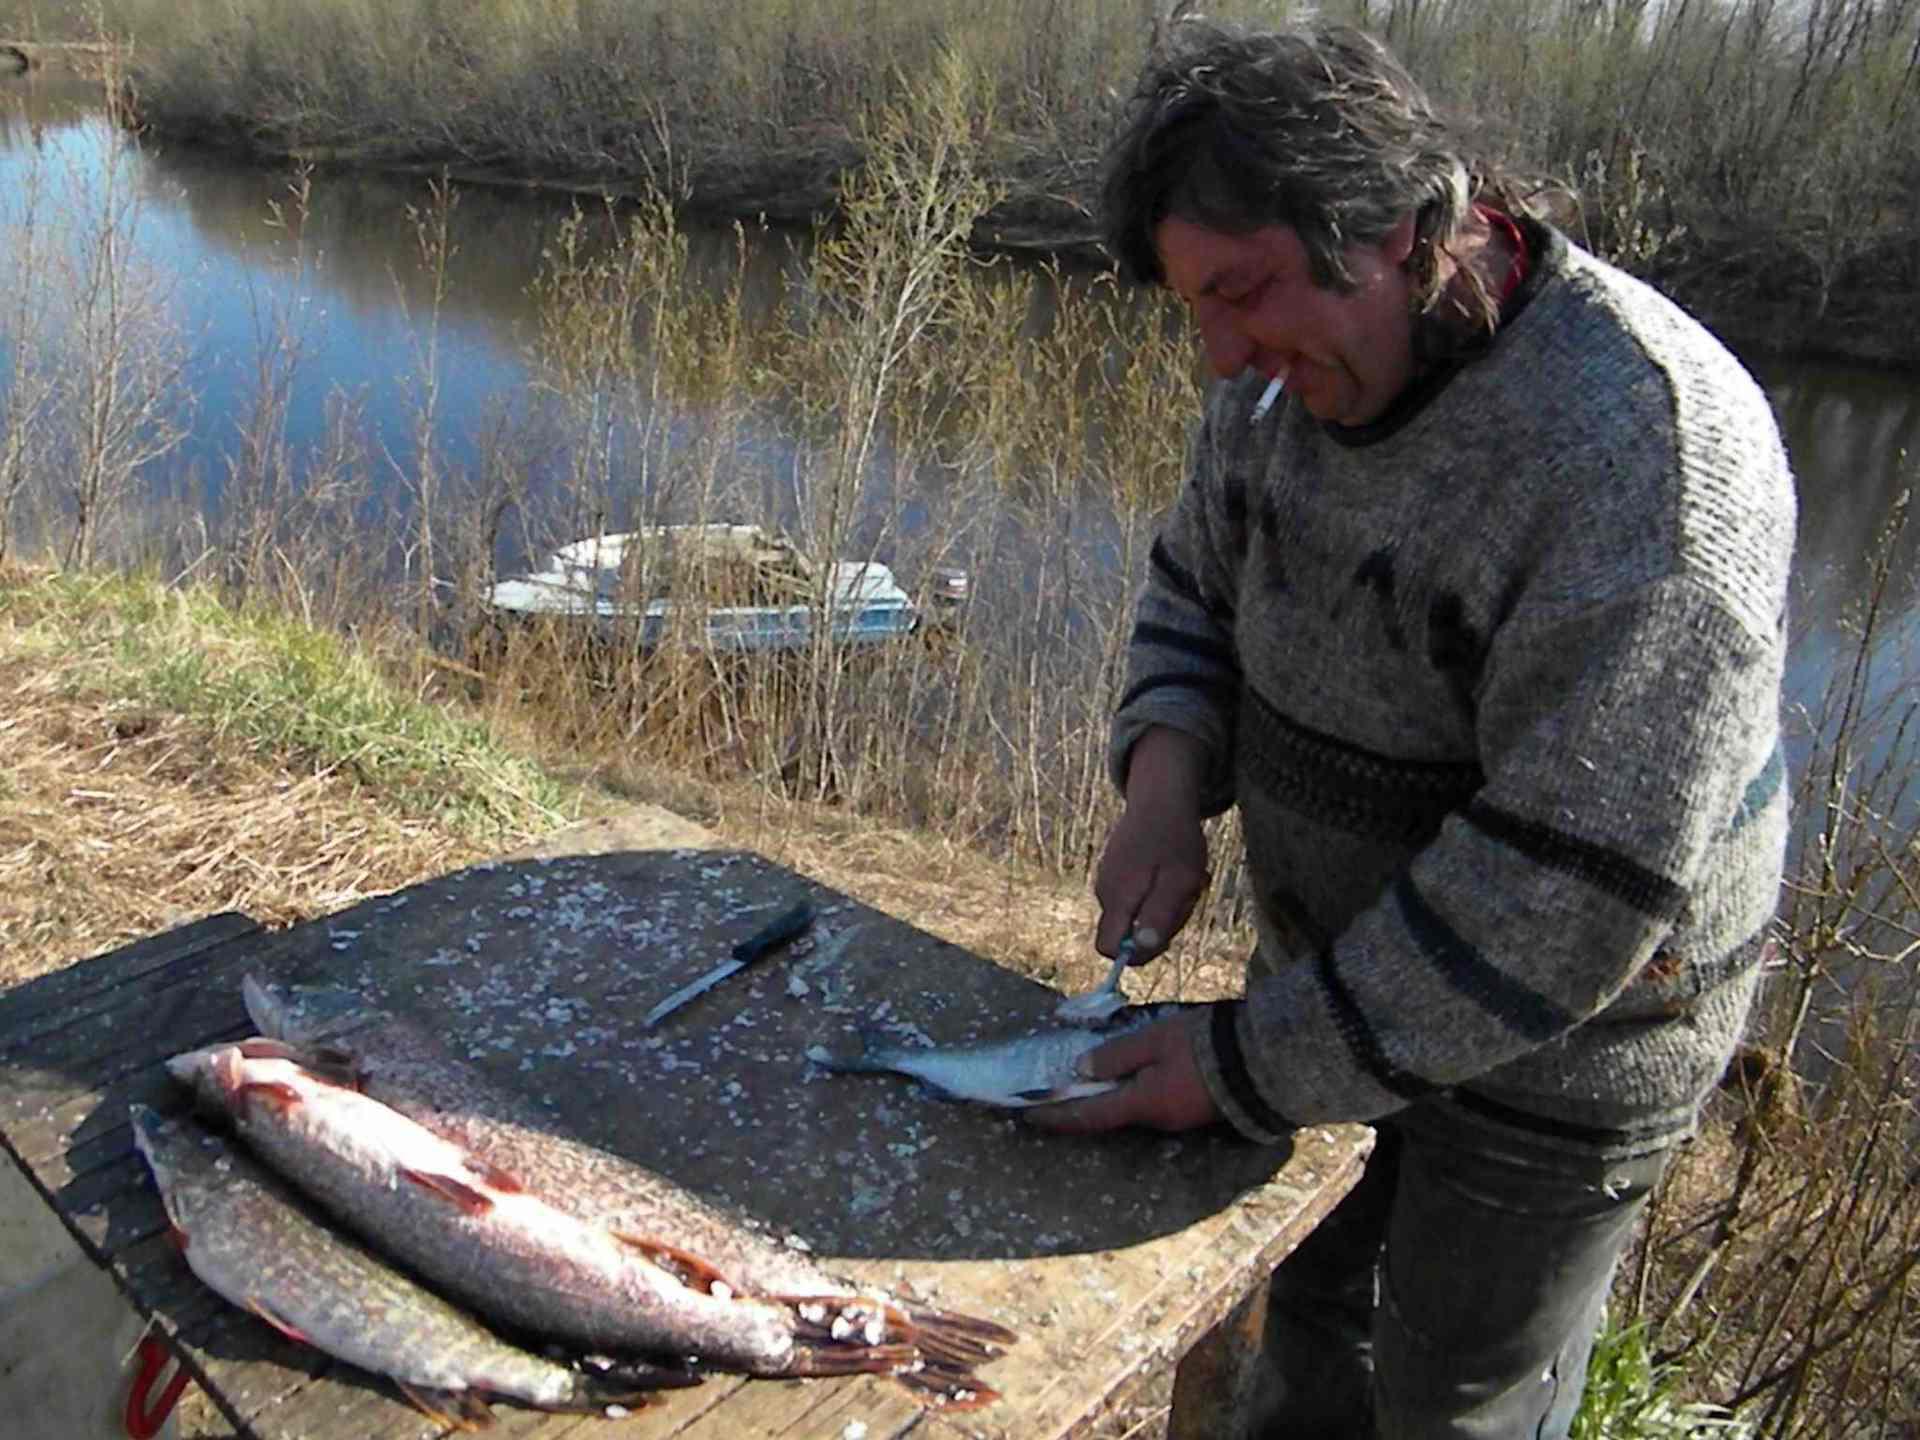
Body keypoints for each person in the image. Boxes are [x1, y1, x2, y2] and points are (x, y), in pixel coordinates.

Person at [1027, 19, 1796, 1440]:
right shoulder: (1274, 381)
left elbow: (1561, 906)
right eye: (1194, 309)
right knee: (1302, 1325)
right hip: (1328, 977)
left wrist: (1238, 1066)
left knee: (1455, 1397)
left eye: (1243, 293)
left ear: (1392, 227)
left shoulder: (1646, 459)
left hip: (1571, 1047)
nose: (1218, 361)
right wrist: (1166, 777)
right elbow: (1197, 585)